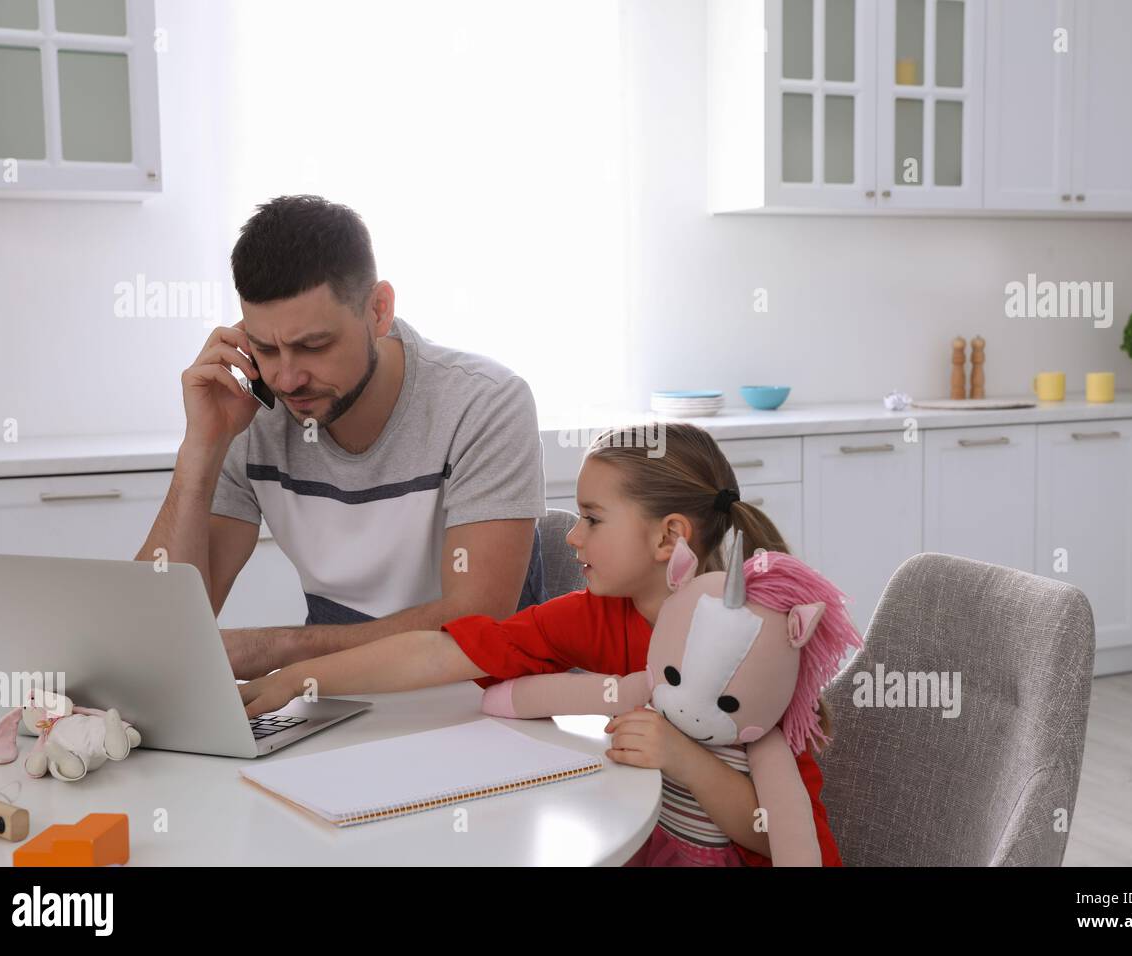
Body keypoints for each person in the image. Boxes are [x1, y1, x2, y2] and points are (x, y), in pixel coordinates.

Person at [241, 422, 848, 866]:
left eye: (592, 518)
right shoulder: (597, 615)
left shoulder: (756, 648)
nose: (572, 538)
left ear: (669, 538)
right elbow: (437, 650)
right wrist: (300, 677)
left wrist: (684, 757)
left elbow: (776, 833)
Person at [135, 195, 547, 679]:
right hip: (329, 696)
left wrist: (281, 648)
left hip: (479, 703)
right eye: (266, 348)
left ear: (378, 310)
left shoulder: (484, 403)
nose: (287, 380)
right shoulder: (251, 416)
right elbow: (158, 632)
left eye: (314, 346)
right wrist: (201, 449)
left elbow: (479, 622)